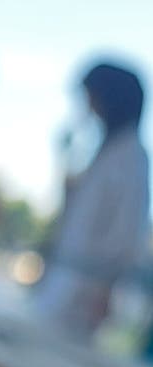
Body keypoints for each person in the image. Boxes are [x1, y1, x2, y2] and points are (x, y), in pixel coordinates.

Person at [37, 62, 150, 339]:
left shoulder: (131, 157)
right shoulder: (108, 151)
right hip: (66, 281)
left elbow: (125, 234)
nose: (88, 106)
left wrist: (106, 286)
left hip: (86, 292)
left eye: (91, 97)